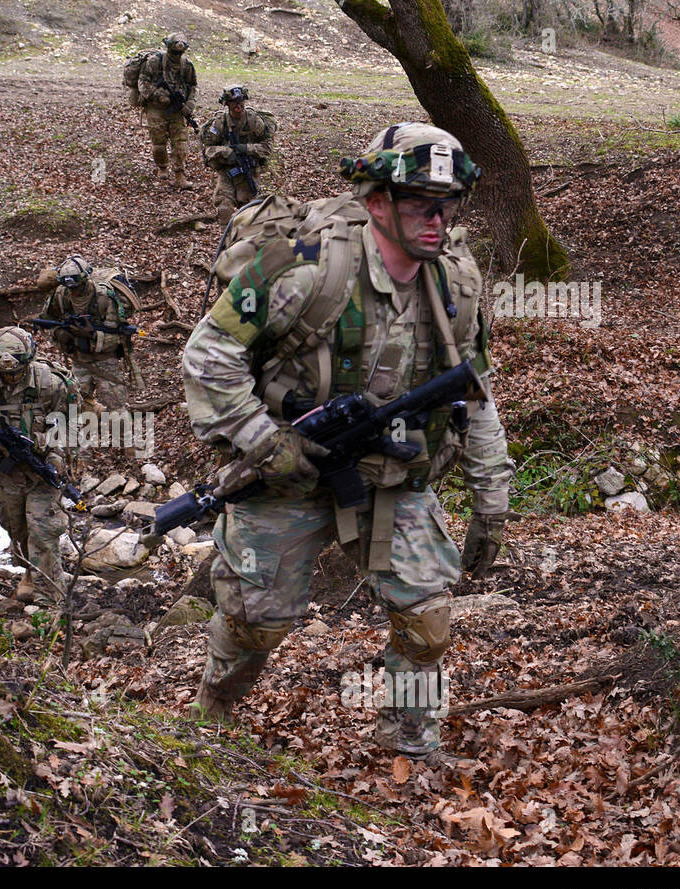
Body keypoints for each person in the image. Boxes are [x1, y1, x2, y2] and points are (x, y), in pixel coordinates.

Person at [181, 122, 515, 765]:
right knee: (258, 622)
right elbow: (208, 355)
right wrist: (262, 440)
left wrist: (491, 498)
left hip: (392, 477)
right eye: (420, 203)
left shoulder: (456, 285)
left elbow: (474, 395)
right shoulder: (305, 268)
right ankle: (211, 718)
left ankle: (410, 746)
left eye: (448, 206)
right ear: (377, 200)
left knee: (427, 617)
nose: (437, 221)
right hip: (286, 470)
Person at [0, 327, 75, 604]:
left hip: (43, 467)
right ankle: (29, 571)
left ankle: (49, 598)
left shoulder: (51, 384)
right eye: (5, 372)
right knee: (14, 525)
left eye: (17, 371)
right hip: (4, 471)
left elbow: (72, 426)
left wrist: (56, 456)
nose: (11, 377)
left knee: (42, 529)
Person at [37, 256, 133, 413]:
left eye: (78, 287)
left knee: (117, 407)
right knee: (75, 405)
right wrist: (61, 333)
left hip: (105, 360)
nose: (74, 292)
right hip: (79, 359)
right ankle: (92, 428)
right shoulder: (61, 295)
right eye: (71, 288)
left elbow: (118, 336)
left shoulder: (104, 297)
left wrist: (92, 335)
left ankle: (123, 435)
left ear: (86, 280)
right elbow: (47, 320)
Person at [201, 85, 273, 224]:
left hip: (249, 171)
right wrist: (226, 152)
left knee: (248, 211)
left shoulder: (254, 121)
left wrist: (246, 148)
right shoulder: (220, 123)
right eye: (233, 103)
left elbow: (267, 147)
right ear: (227, 105)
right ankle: (226, 241)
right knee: (224, 208)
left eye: (240, 102)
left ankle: (245, 240)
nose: (237, 106)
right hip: (226, 172)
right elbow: (208, 149)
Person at [137, 33, 198, 189]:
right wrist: (157, 95)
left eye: (180, 52)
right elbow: (142, 81)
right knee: (159, 144)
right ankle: (162, 167)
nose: (177, 55)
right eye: (174, 52)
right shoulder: (154, 62)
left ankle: (180, 174)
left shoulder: (187, 65)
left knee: (181, 142)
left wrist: (190, 104)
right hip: (156, 109)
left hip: (177, 110)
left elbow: (193, 87)